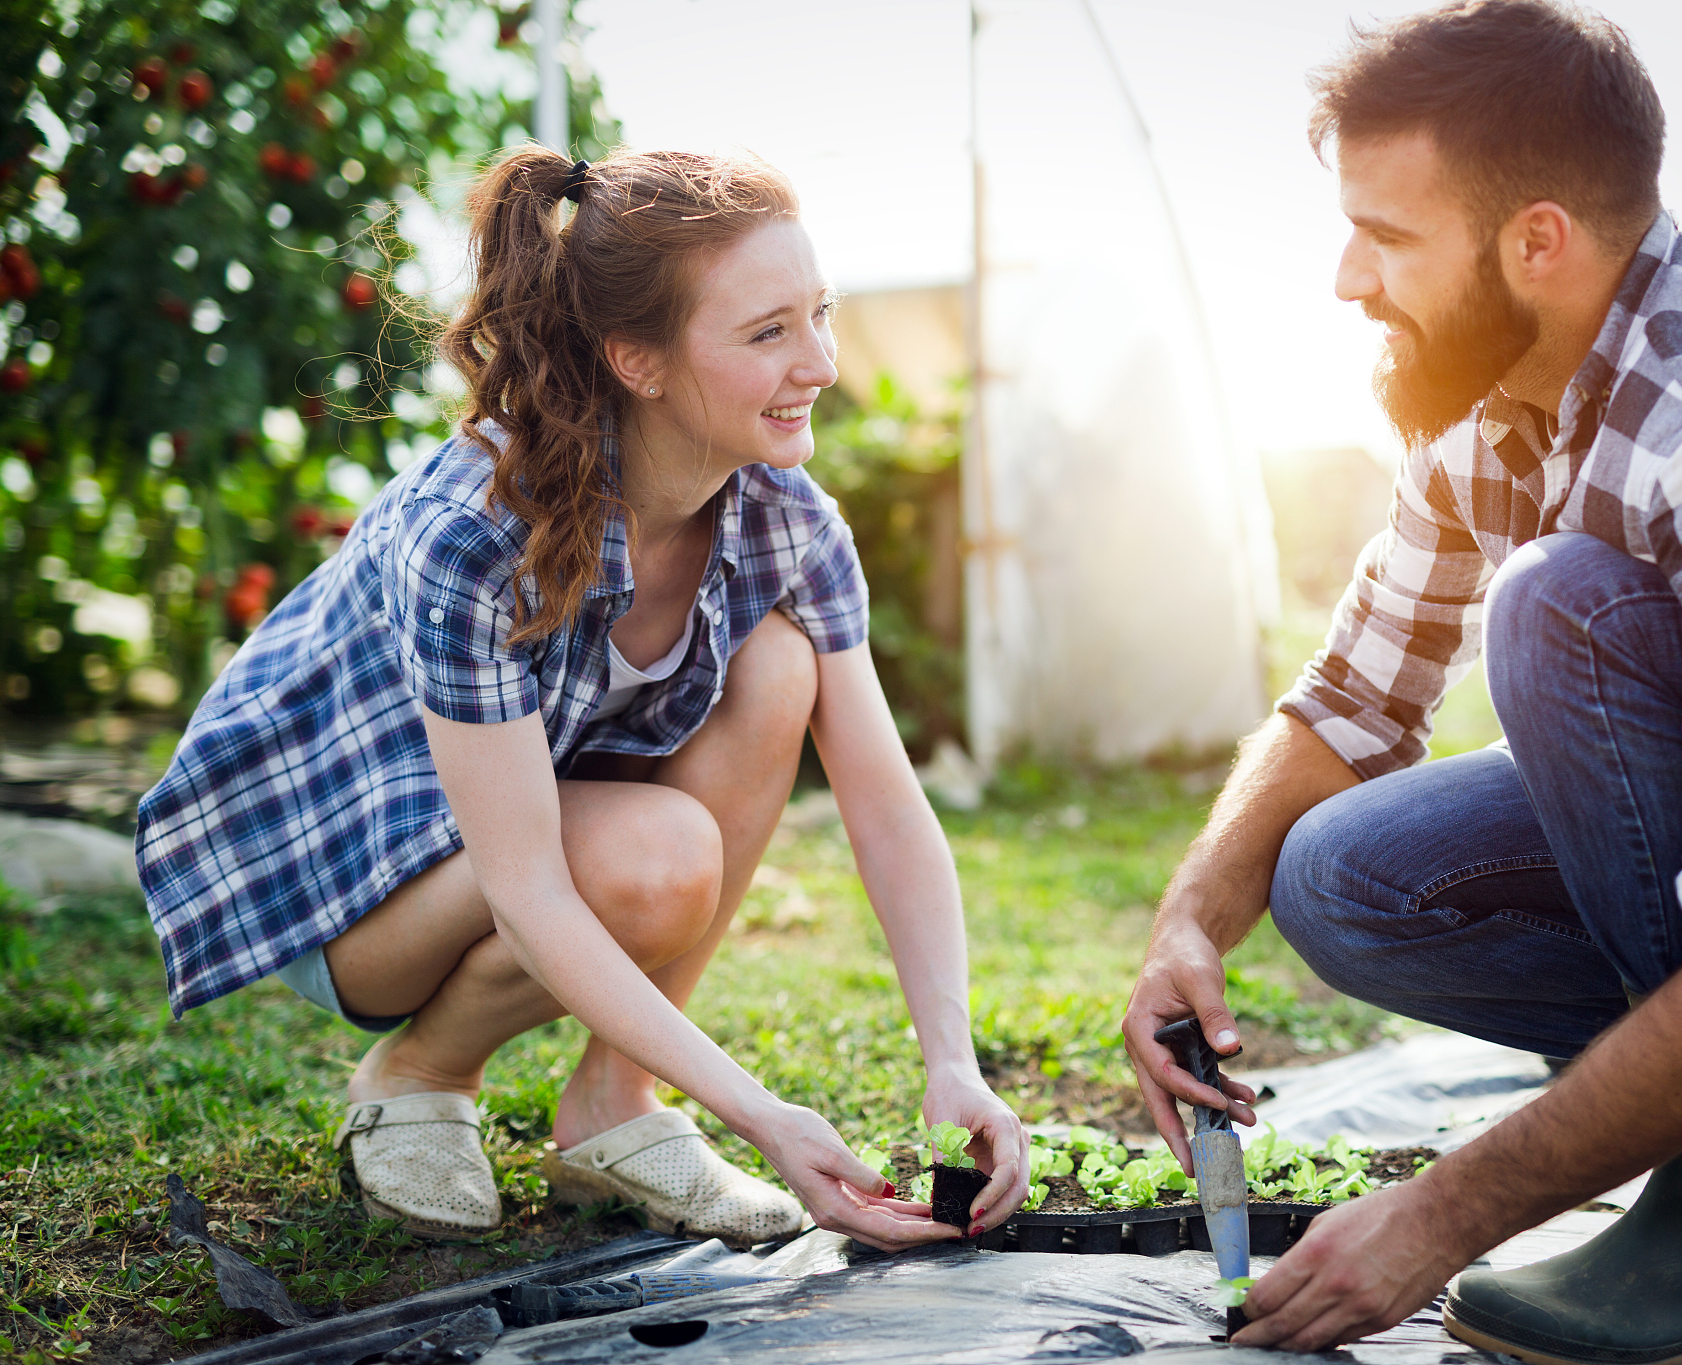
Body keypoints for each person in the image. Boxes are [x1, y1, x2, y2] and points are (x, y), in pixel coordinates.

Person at [1122, 1, 1682, 1359]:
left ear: (1537, 238)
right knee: (1342, 878)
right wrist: (1192, 918)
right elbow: (1356, 697)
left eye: (1385, 234)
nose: (1345, 278)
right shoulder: (1492, 390)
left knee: (1568, 611)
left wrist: (1439, 1216)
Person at [136, 146, 1027, 1253]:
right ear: (635, 362)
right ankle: (417, 1074)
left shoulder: (787, 522)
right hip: (348, 879)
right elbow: (529, 886)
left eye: (819, 314)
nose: (823, 364)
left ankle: (612, 1107)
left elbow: (888, 809)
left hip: (523, 837)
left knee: (780, 665)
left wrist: (953, 1065)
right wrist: (762, 1119)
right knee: (653, 856)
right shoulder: (476, 528)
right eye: (768, 333)